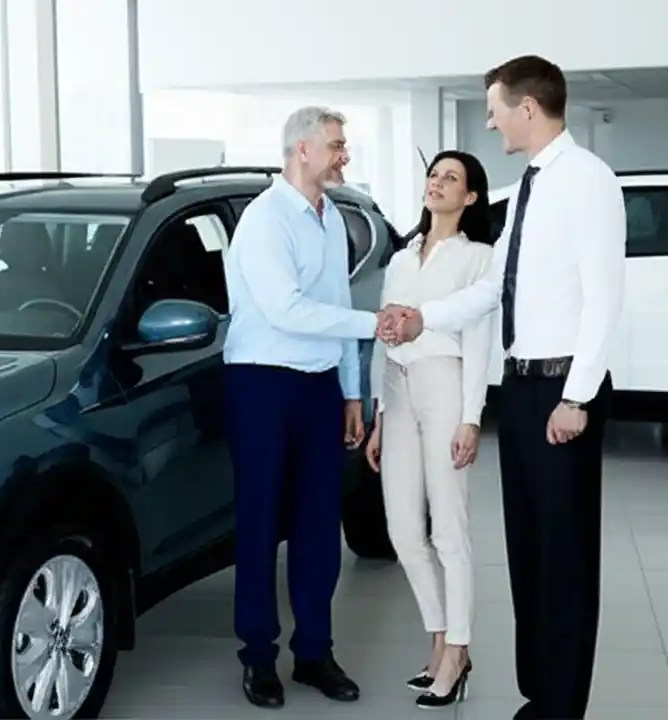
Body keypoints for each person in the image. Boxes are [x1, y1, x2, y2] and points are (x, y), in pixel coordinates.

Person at [379, 56, 625, 720]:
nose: (489, 121)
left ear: (526, 108)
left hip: (559, 391)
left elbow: (604, 299)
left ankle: (561, 706)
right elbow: (494, 288)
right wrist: (423, 316)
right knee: (530, 552)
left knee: (565, 556)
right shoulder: (529, 188)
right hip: (520, 390)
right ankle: (539, 693)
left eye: (494, 109)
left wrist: (576, 396)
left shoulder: (588, 181)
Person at [222, 106, 393, 708]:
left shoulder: (329, 217)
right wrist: (379, 322)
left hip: (319, 387)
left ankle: (314, 653)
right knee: (261, 525)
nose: (344, 155)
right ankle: (258, 657)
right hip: (262, 385)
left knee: (320, 525)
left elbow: (334, 307)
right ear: (302, 150)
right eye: (337, 145)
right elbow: (287, 311)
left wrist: (350, 392)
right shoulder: (265, 221)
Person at [365, 149, 495, 710]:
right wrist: (378, 412)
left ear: (469, 197)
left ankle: (458, 650)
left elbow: (479, 342)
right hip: (397, 391)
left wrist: (471, 417)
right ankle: (439, 637)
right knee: (402, 530)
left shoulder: (478, 259)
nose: (436, 184)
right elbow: (381, 333)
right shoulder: (399, 259)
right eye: (432, 175)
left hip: (445, 384)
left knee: (448, 529)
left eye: (450, 178)